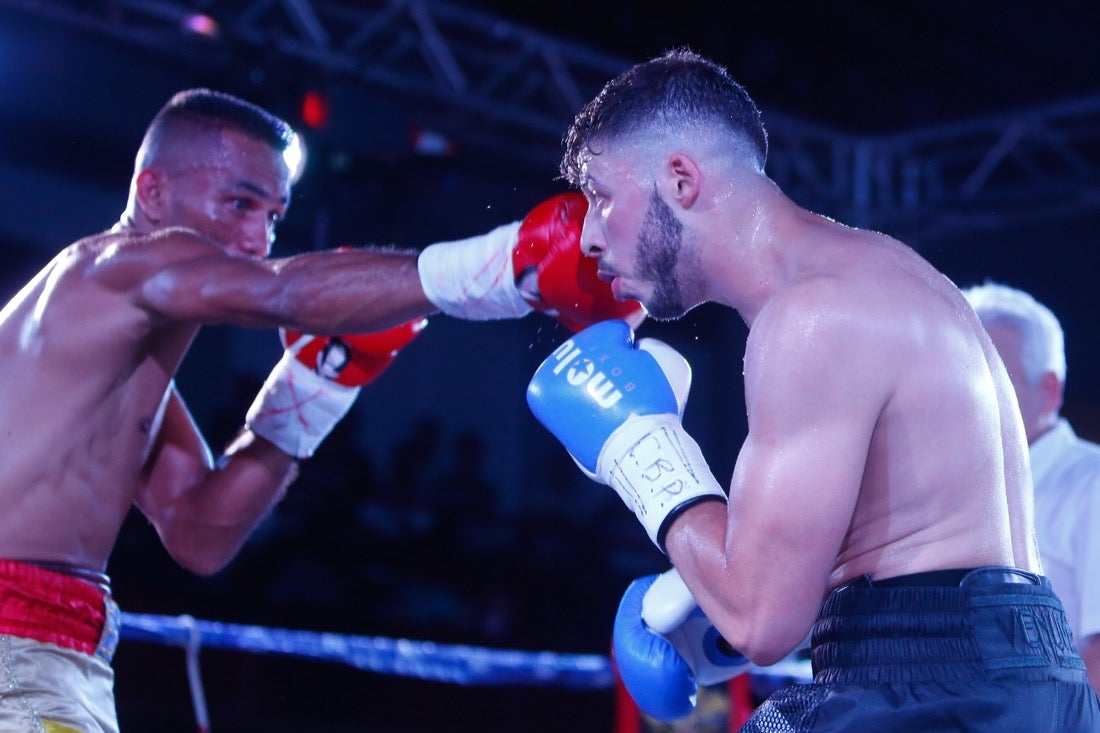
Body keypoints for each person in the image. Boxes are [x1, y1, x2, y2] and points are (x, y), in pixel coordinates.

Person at [0, 88, 641, 732]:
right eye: (240, 203)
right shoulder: (113, 266)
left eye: (274, 216)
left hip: (61, 641)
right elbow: (283, 292)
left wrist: (315, 386)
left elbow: (198, 531)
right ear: (153, 190)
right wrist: (506, 267)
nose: (257, 238)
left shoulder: (116, 362)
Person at [527, 48, 1100, 731]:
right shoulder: (889, 274)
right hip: (1023, 682)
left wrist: (640, 447)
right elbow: (861, 568)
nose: (589, 236)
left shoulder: (812, 316)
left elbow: (761, 617)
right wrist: (698, 599)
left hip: (933, 688)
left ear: (680, 179)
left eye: (601, 196)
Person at [963, 281, 1100, 695]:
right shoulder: (952, 492)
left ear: (1049, 390)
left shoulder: (1090, 484)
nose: (972, 397)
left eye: (994, 379)